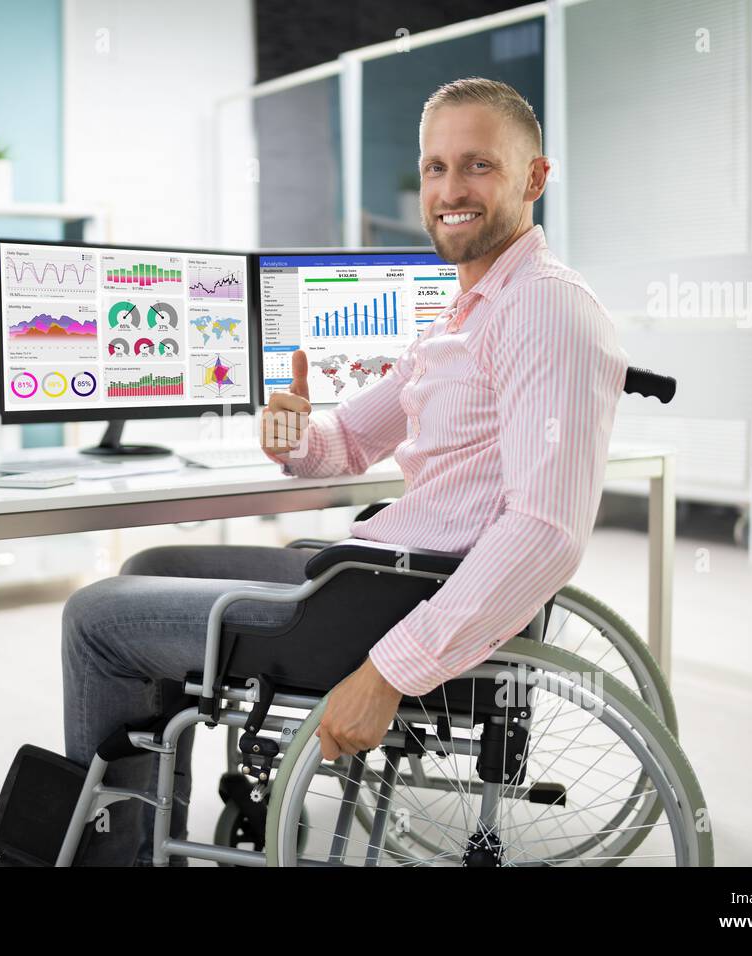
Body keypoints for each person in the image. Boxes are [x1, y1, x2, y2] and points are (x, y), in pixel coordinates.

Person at [61, 76, 628, 865]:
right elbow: (352, 442)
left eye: (477, 166)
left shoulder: (545, 309)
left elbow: (545, 534)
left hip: (397, 606)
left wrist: (391, 670)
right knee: (155, 564)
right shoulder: (471, 311)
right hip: (379, 576)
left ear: (535, 178)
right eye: (435, 168)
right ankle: (143, 832)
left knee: (97, 620)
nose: (449, 190)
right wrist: (295, 432)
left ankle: (112, 855)